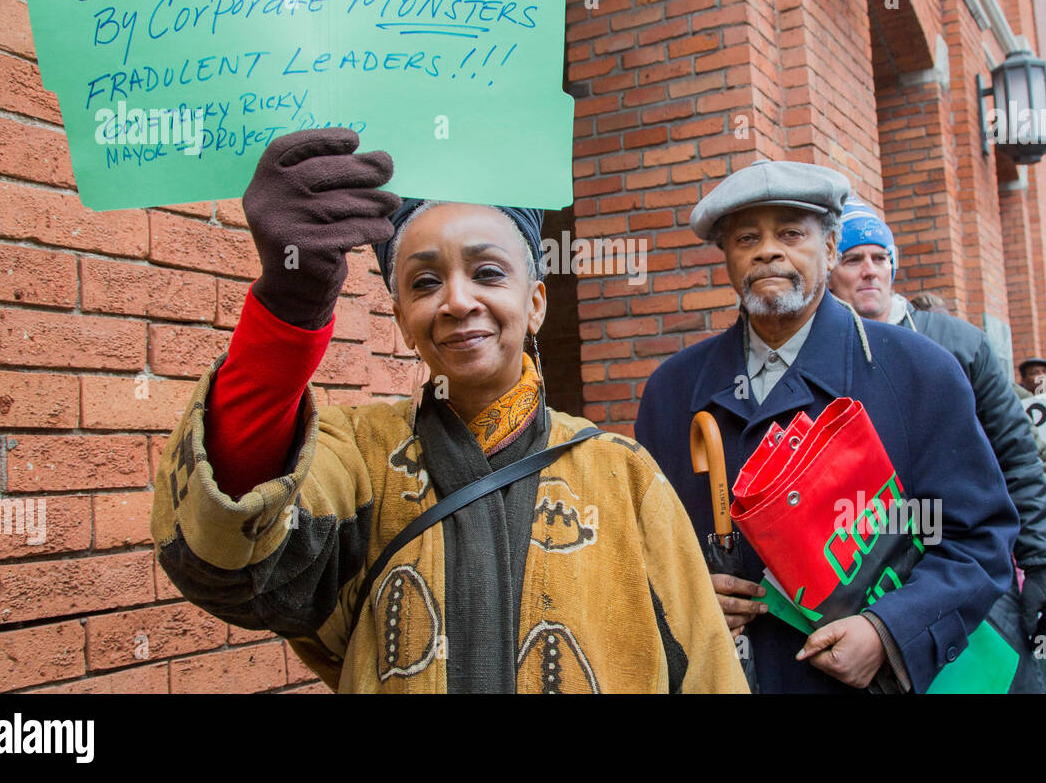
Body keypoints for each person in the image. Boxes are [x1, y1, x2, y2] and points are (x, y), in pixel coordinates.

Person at [150, 129, 748, 694]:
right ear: (402, 319)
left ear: (535, 302)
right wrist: (290, 302)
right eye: (425, 282)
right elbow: (227, 554)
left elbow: (708, 670)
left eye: (488, 273)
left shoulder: (624, 475)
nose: (458, 301)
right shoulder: (359, 456)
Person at [634, 160, 1018, 694]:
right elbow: (643, 550)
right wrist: (684, 592)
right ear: (726, 259)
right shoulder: (672, 391)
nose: (768, 250)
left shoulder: (919, 371)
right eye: (747, 237)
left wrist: (886, 631)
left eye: (791, 232)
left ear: (831, 248)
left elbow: (978, 539)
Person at [827, 197, 1046, 695]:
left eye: (878, 257)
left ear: (893, 265)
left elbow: (1016, 455)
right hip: (864, 579)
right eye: (852, 259)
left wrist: (1041, 562)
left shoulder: (958, 344)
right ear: (830, 268)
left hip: (963, 567)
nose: (868, 271)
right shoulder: (820, 357)